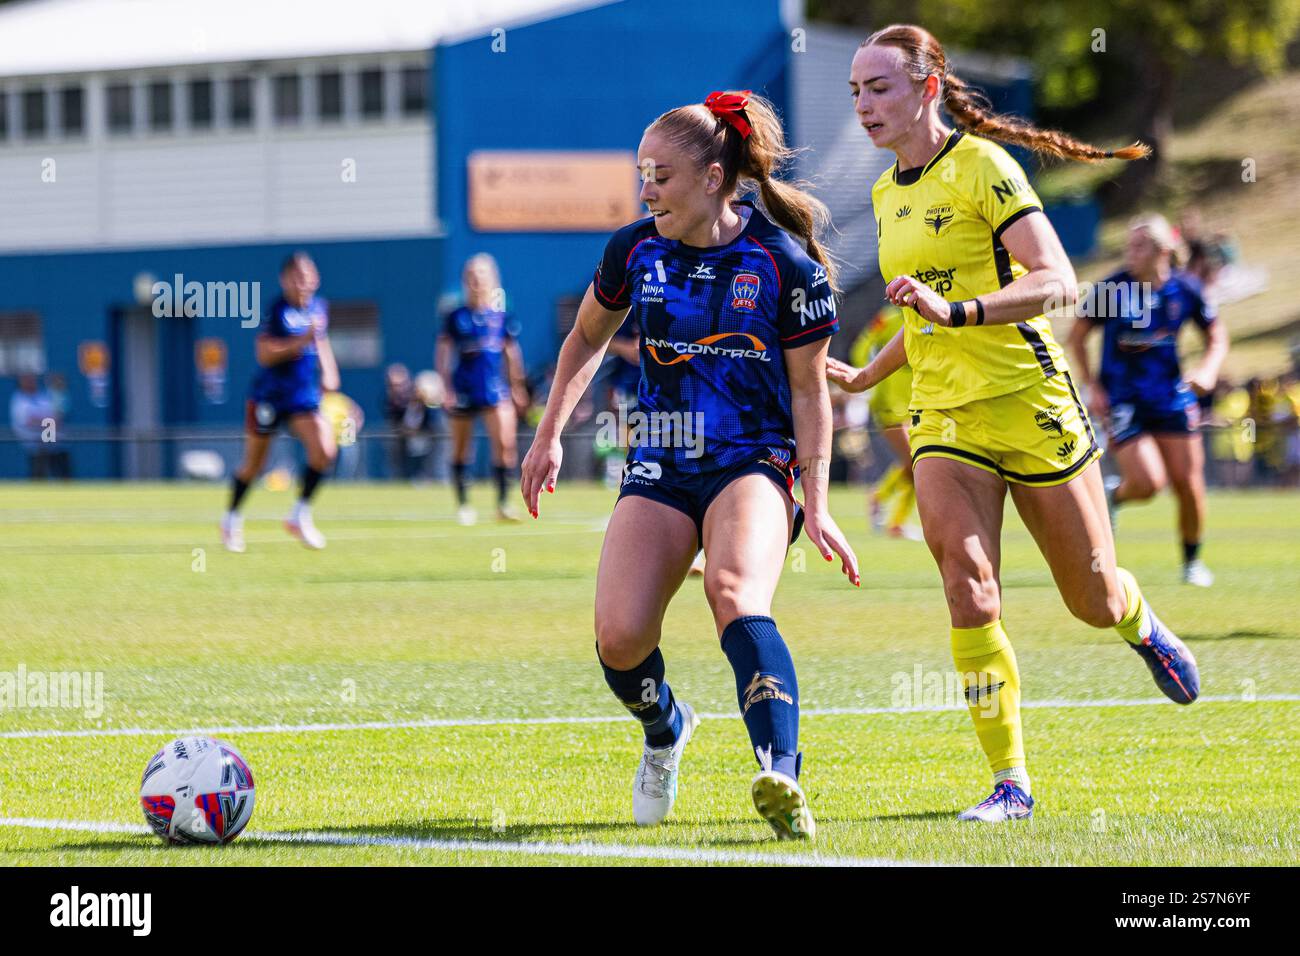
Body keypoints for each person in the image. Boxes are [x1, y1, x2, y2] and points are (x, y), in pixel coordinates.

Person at [827, 24, 1200, 823]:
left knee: (1091, 598)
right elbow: (921, 313)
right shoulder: (885, 193)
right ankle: (1012, 783)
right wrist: (867, 373)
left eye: (879, 87)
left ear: (928, 87)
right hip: (942, 419)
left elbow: (1058, 282)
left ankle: (1138, 620)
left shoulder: (983, 168)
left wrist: (957, 311)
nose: (863, 104)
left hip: (1031, 404)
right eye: (855, 90)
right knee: (969, 588)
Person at [520, 90, 858, 840]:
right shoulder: (633, 249)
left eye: (660, 175)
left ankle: (782, 773)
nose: (646, 190)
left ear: (713, 176)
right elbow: (584, 340)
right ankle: (666, 728)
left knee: (736, 594)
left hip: (754, 462)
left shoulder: (784, 264)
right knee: (619, 637)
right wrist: (546, 437)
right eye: (642, 173)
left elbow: (810, 393)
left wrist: (820, 501)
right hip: (661, 463)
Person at [1067, 214, 1230, 586]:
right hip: (1124, 400)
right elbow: (1076, 338)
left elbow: (1217, 337)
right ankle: (1116, 495)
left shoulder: (1186, 290)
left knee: (1189, 484)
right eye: (1128, 244)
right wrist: (1094, 387)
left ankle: (1192, 563)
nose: (1130, 252)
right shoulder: (1111, 289)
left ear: (1164, 251)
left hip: (1172, 397)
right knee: (1148, 483)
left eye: (1139, 245)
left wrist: (1207, 369)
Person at [221, 252, 339, 552]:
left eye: (309, 275)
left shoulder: (318, 308)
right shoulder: (277, 310)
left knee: (325, 450)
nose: (304, 282)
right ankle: (231, 517)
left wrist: (329, 370)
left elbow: (320, 340)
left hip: (302, 397)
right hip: (270, 397)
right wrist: (300, 342)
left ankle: (300, 514)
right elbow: (264, 353)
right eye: (298, 276)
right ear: (285, 279)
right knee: (254, 465)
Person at [436, 254, 527, 524]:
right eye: (472, 276)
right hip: (464, 388)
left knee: (505, 444)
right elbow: (442, 353)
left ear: (492, 280)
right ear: (466, 281)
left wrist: (517, 386)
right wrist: (447, 388)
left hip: (494, 389)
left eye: (482, 275)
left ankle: (503, 503)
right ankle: (464, 504)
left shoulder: (501, 316)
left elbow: (511, 353)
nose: (477, 281)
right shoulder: (455, 317)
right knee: (462, 448)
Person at [849, 305, 916, 536]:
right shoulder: (888, 318)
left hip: (917, 402)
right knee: (915, 462)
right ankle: (881, 498)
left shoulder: (931, 317)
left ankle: (895, 521)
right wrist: (867, 379)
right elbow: (862, 347)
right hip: (889, 404)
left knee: (919, 464)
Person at [9, 373, 54, 479]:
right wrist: (43, 421)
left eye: (32, 380)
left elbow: (53, 418)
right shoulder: (19, 398)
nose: (30, 383)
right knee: (36, 472)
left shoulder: (43, 396)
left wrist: (43, 423)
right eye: (27, 380)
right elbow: (27, 421)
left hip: (49, 441)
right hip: (28, 442)